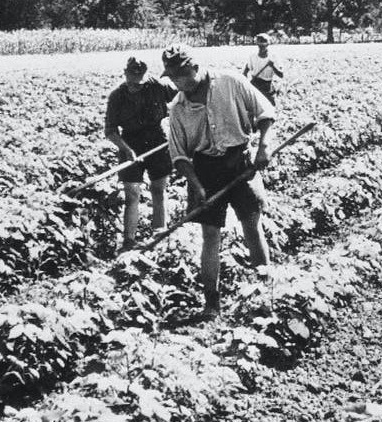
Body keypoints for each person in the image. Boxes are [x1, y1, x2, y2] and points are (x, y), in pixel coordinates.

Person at [162, 44, 275, 319]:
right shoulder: (177, 108)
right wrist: (197, 185)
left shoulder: (231, 82)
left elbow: (265, 112)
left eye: (182, 75)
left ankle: (265, 294)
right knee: (210, 234)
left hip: (240, 161)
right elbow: (179, 155)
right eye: (173, 77)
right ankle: (212, 303)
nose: (178, 82)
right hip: (204, 170)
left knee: (251, 223)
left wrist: (264, 146)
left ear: (195, 68)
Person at [105, 56, 179, 249]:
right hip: (130, 142)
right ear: (125, 75)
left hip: (156, 140)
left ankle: (159, 236)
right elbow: (110, 131)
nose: (136, 86)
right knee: (132, 194)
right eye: (132, 82)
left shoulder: (158, 86)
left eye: (140, 83)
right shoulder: (116, 96)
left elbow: (182, 97)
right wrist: (127, 150)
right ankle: (129, 241)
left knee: (158, 189)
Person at [241, 33, 284, 105]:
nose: (262, 46)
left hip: (267, 86)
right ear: (257, 44)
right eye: (260, 43)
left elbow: (281, 74)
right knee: (251, 107)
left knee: (269, 109)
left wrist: (273, 66)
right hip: (255, 84)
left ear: (268, 44)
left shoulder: (273, 57)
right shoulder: (253, 56)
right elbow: (245, 71)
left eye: (264, 43)